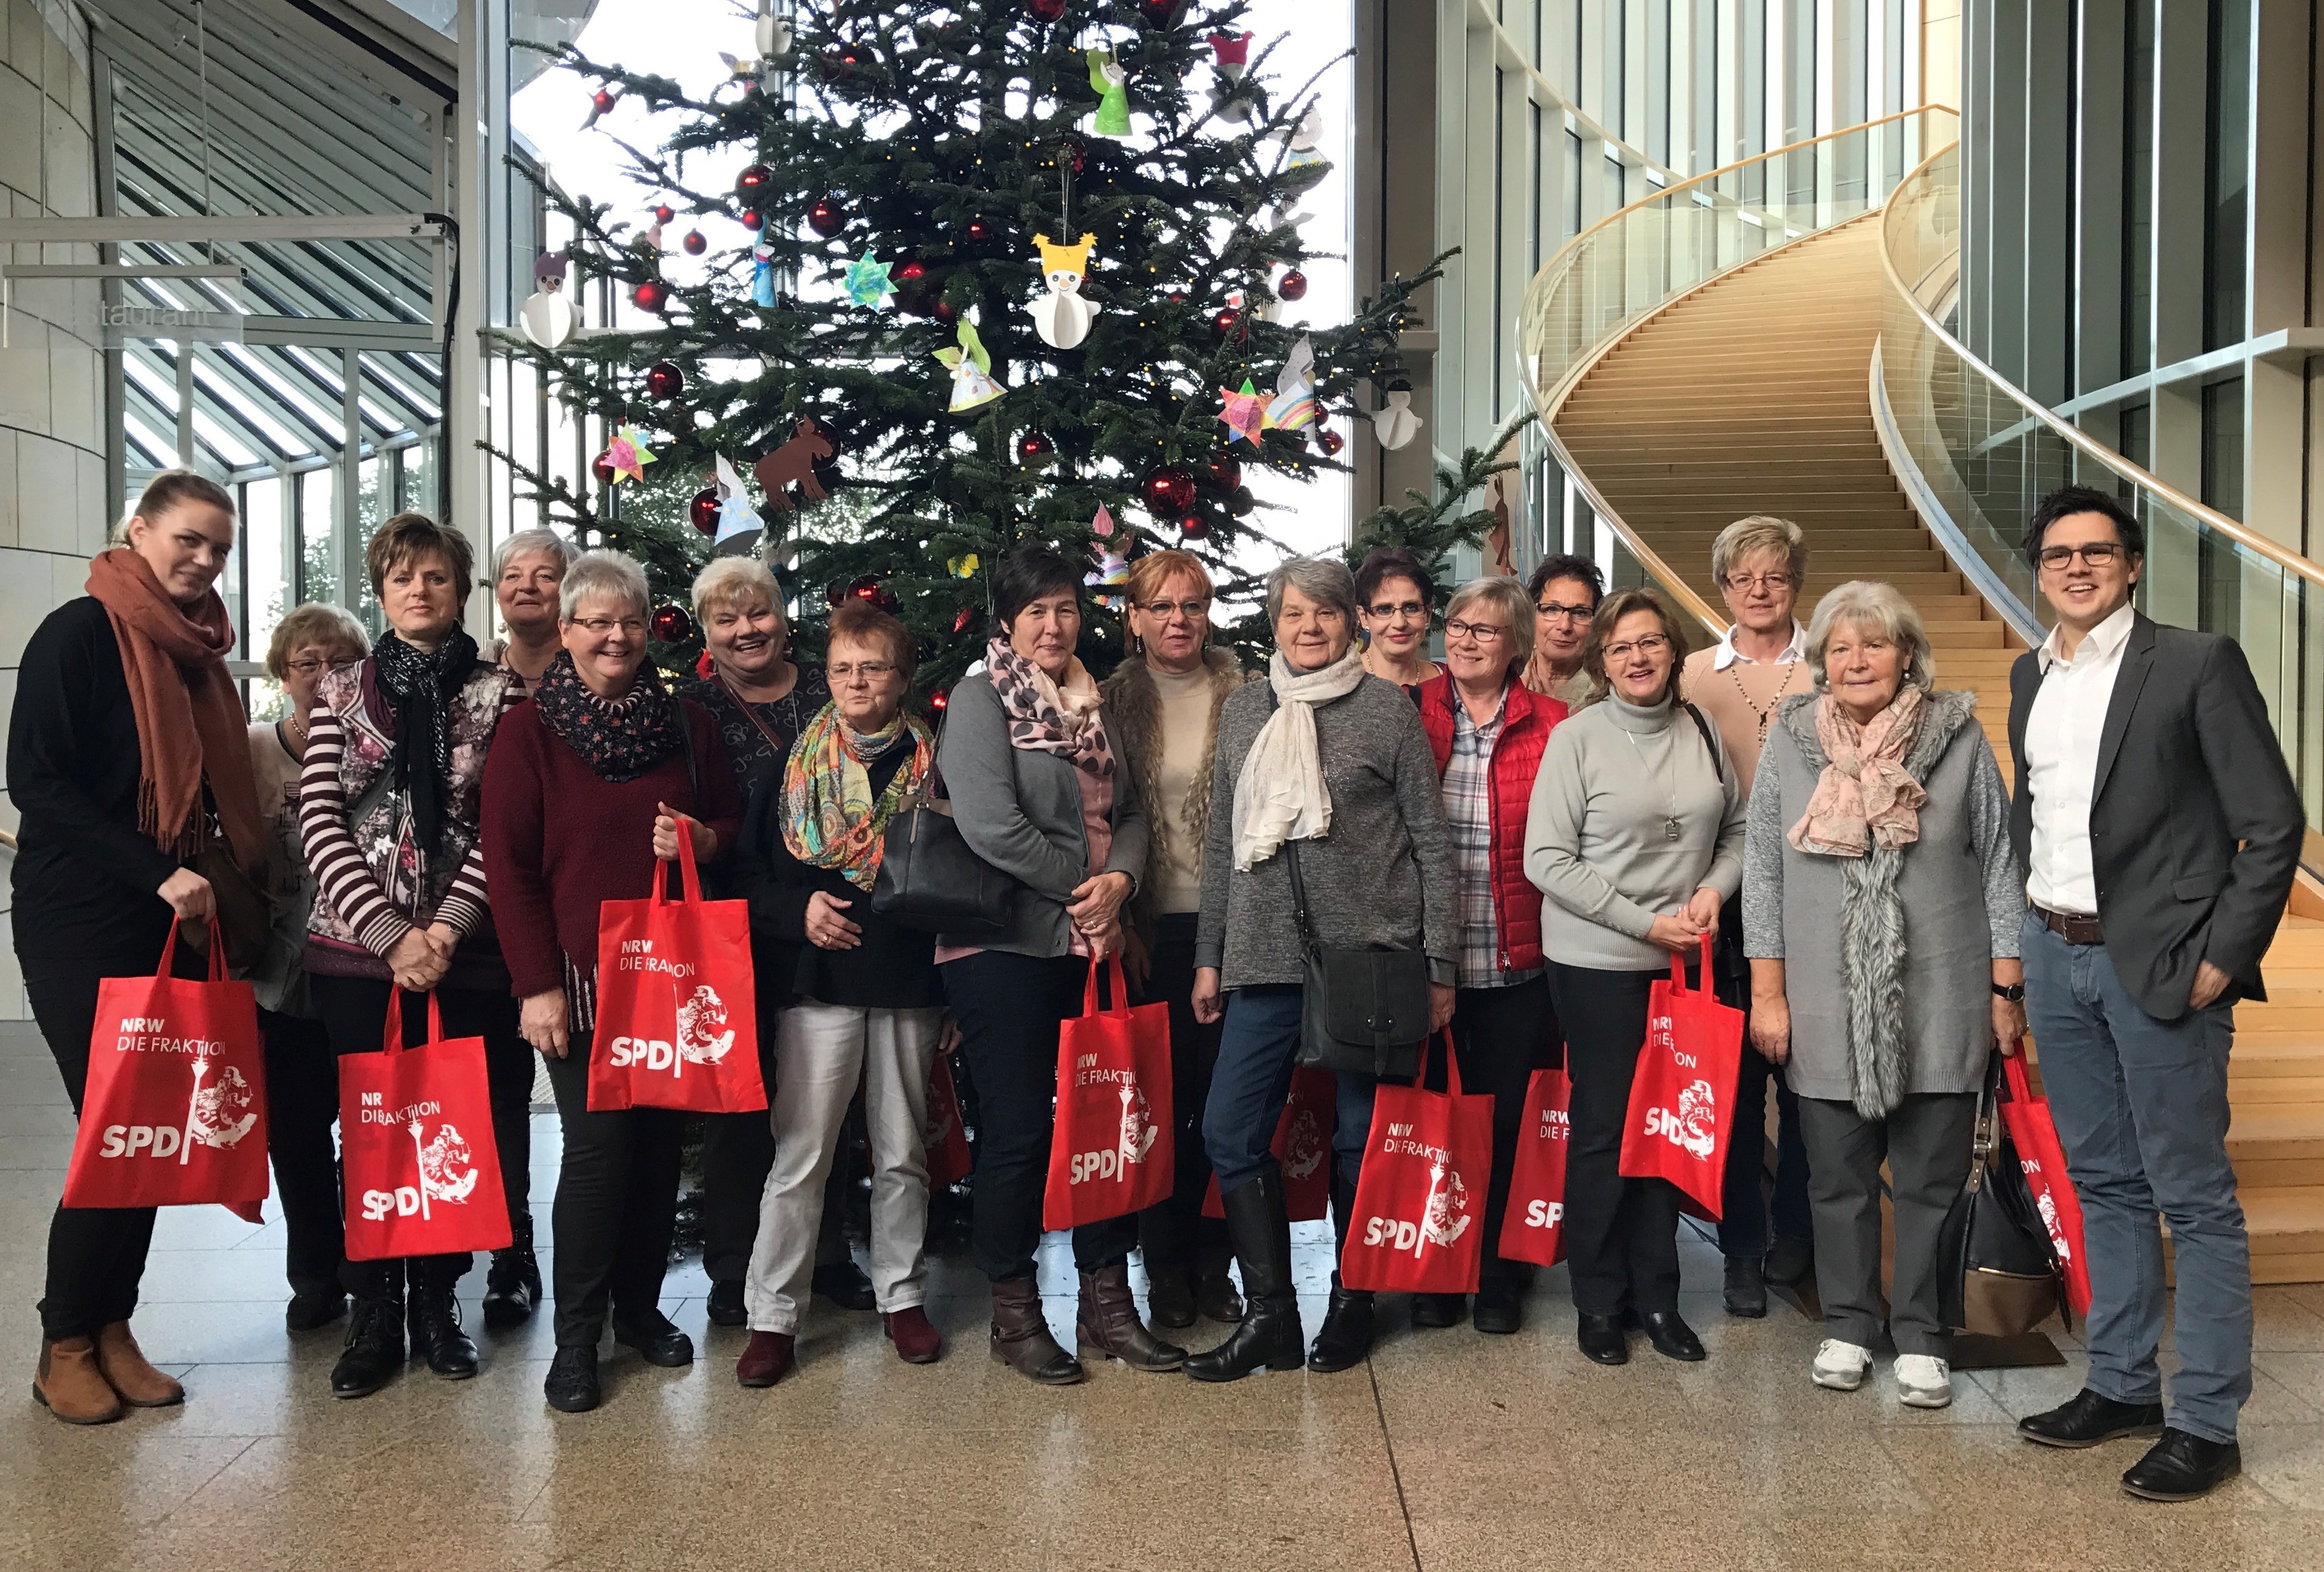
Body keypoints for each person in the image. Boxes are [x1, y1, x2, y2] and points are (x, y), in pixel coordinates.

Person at [2006, 486, 2302, 1502]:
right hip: (2056, 956)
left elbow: (2272, 823)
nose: (2076, 568)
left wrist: (2224, 953)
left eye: (2096, 552)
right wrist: (2019, 952)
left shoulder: (2194, 663)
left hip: (2166, 968)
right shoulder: (2028, 674)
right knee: (2105, 1183)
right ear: (2038, 570)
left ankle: (2208, 1421)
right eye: (2057, 555)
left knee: (2193, 1196)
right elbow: (2033, 819)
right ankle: (2124, 1385)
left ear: (2132, 565)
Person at [12, 469, 266, 1425]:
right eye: (188, 540)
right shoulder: (79, 633)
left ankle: (114, 1327)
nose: (202, 560)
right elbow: (36, 782)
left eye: (219, 548)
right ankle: (64, 1341)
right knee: (111, 1125)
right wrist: (151, 867)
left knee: (153, 1134)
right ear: (140, 530)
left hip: (167, 921)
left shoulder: (198, 657)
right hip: (80, 916)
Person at [1743, 581, 2023, 1410]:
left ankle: (1925, 1336)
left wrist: (2008, 982)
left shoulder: (1960, 739)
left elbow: (2003, 862)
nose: (1856, 660)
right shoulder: (1790, 743)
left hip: (1940, 994)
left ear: (1908, 655)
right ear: (1821, 661)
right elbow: (1763, 867)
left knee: (1934, 1181)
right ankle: (1850, 1325)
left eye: (1874, 644)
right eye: (1839, 647)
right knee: (1837, 1180)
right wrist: (1768, 990)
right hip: (1823, 998)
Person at [482, 548, 745, 1414]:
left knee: (662, 1152)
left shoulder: (686, 725)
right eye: (597, 622)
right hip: (578, 977)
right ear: (565, 633)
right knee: (599, 1154)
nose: (617, 636)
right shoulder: (529, 732)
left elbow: (731, 820)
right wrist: (535, 986)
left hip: (672, 975)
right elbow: (510, 867)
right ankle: (576, 1338)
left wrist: (703, 842)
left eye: (630, 621)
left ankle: (638, 1312)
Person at [1186, 556, 1457, 1382]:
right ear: (1274, 624)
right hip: (1264, 959)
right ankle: (1272, 1314)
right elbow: (1224, 842)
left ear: (1352, 623)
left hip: (1370, 962)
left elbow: (1430, 842)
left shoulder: (1386, 713)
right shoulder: (1244, 713)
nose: (1310, 628)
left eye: (1326, 614)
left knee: (1355, 1141)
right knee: (1230, 1132)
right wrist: (1210, 958)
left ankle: (1353, 1301)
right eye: (1295, 614)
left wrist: (1438, 963)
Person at [298, 513, 532, 1398]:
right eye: (403, 577)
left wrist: (445, 931)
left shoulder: (500, 692)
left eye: (436, 576)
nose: (419, 590)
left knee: (446, 1134)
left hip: (462, 953)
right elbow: (319, 820)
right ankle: (373, 1314)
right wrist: (394, 938)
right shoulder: (342, 690)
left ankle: (439, 1306)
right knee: (370, 1133)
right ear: (381, 588)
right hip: (357, 955)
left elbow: (499, 828)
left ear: (459, 588)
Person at [936, 545, 1177, 1386]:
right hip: (1005, 950)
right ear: (1008, 621)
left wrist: (1122, 881)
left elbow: (1135, 813)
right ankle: (1014, 1313)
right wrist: (1089, 891)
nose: (1053, 623)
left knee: (1103, 1126)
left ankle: (1110, 1309)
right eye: (1036, 610)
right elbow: (991, 827)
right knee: (1020, 1135)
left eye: (1067, 608)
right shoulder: (978, 701)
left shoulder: (1093, 704)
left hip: (1093, 946)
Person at [1524, 586, 1744, 1368]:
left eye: (1651, 642)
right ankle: (1597, 1297)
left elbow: (1740, 828)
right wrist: (1647, 923)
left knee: (1668, 1136)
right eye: (1620, 647)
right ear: (1601, 661)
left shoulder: (1703, 729)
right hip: (1598, 963)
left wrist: (1715, 890)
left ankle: (1659, 1296)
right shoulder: (1577, 738)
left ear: (1673, 651)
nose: (1638, 657)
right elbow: (1545, 859)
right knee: (1606, 1130)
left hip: (1685, 969)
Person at [729, 601, 946, 1386]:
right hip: (816, 983)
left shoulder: (935, 763)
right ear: (827, 675)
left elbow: (962, 878)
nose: (857, 681)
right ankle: (774, 1314)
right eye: (843, 668)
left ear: (903, 678)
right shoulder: (789, 764)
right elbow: (746, 878)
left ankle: (903, 1296)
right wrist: (801, 910)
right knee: (802, 1155)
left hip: (909, 978)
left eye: (874, 667)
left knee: (901, 1154)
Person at [677, 558, 862, 1331]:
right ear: (706, 630)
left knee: (832, 1101)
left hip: (837, 925)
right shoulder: (690, 710)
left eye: (759, 612)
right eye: (727, 618)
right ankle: (732, 1266)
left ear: (784, 616)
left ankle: (828, 1255)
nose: (747, 629)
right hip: (734, 928)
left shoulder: (830, 689)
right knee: (741, 1103)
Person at [1100, 550, 1254, 1331]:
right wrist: (1121, 921)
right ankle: (1164, 1267)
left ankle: (1214, 1263)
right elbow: (1099, 822)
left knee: (1225, 1107)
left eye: (1192, 604)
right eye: (1159, 606)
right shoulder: (1104, 702)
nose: (1177, 620)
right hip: (1145, 926)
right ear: (1133, 616)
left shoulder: (1246, 697)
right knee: (1158, 1106)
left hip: (1231, 922)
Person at [1414, 577, 1568, 1335]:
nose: (1466, 639)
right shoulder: (1412, 714)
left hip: (1517, 958)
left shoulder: (1556, 725)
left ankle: (1499, 1273)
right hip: (1428, 958)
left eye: (1486, 630)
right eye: (1458, 625)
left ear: (1516, 646)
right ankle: (1441, 1262)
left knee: (1505, 1119)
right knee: (1436, 1116)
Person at [1677, 516, 1817, 1317]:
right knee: (1730, 1092)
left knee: (1810, 1090)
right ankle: (1741, 1244)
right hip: (1721, 904)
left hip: (1816, 900)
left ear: (1796, 582)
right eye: (1743, 578)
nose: (1759, 590)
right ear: (1723, 586)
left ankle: (1796, 1236)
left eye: (1775, 575)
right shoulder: (1694, 673)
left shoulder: (1831, 663)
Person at [247, 603, 370, 1334]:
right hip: (279, 968)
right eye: (307, 663)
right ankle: (314, 1273)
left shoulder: (372, 746)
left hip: (357, 961)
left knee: (365, 1120)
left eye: (339, 663)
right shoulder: (255, 747)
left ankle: (367, 1264)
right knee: (294, 1129)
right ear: (282, 672)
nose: (324, 677)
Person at [487, 527, 578, 696]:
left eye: (545, 576)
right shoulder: (467, 676)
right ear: (498, 593)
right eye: (513, 576)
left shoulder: (593, 676)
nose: (527, 586)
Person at [1354, 545, 1444, 699]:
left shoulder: (1449, 683)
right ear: (1363, 617)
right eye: (1384, 609)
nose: (1399, 623)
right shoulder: (1344, 683)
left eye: (1411, 608)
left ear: (1428, 614)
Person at [1523, 553, 1603, 708]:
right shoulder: (1504, 679)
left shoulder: (1610, 695)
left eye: (1580, 613)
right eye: (1551, 609)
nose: (1565, 626)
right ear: (1532, 615)